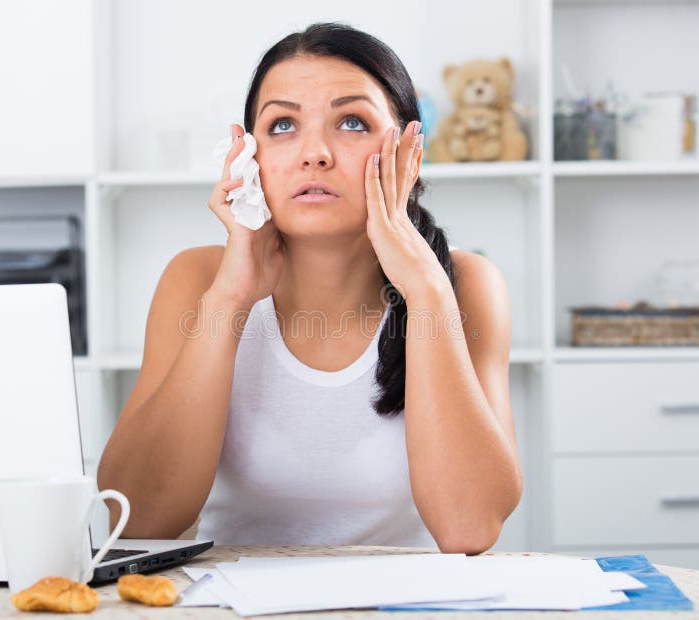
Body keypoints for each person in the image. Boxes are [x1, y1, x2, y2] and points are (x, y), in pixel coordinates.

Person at [97, 22, 522, 554]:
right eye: (282, 126)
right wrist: (228, 300)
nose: (314, 152)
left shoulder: (466, 285)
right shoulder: (196, 280)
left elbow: (470, 528)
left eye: (351, 121)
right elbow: (135, 517)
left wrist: (427, 292)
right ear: (248, 157)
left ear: (410, 153)